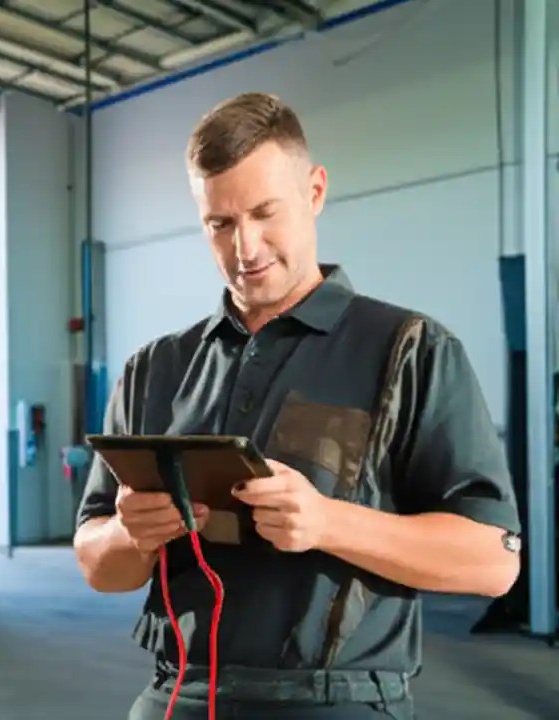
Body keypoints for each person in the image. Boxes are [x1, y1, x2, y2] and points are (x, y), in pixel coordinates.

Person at [72, 92, 523, 720]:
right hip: (177, 695)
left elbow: (491, 561)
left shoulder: (409, 350)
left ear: (314, 192)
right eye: (220, 224)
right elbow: (100, 566)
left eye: (264, 213)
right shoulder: (155, 370)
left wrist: (327, 522)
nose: (245, 248)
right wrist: (130, 533)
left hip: (338, 702)